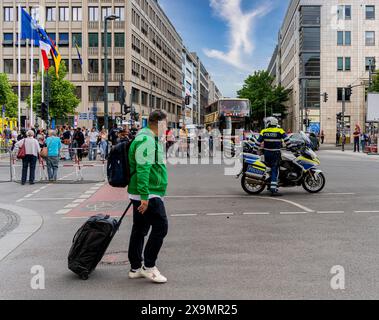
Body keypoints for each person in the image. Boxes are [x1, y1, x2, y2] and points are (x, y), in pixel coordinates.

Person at [127, 110, 169, 283]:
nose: (166, 128)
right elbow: (143, 168)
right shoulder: (147, 139)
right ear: (158, 123)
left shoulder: (145, 137)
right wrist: (145, 196)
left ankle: (136, 267)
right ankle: (149, 267)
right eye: (165, 124)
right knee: (161, 227)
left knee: (140, 229)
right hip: (149, 192)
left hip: (142, 191)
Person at [254, 117, 293, 197]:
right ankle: (273, 189)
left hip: (267, 154)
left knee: (270, 169)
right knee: (275, 170)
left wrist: (254, 150)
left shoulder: (264, 131)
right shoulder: (280, 131)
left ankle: (269, 184)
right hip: (275, 154)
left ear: (270, 123)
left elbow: (258, 142)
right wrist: (292, 147)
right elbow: (287, 141)